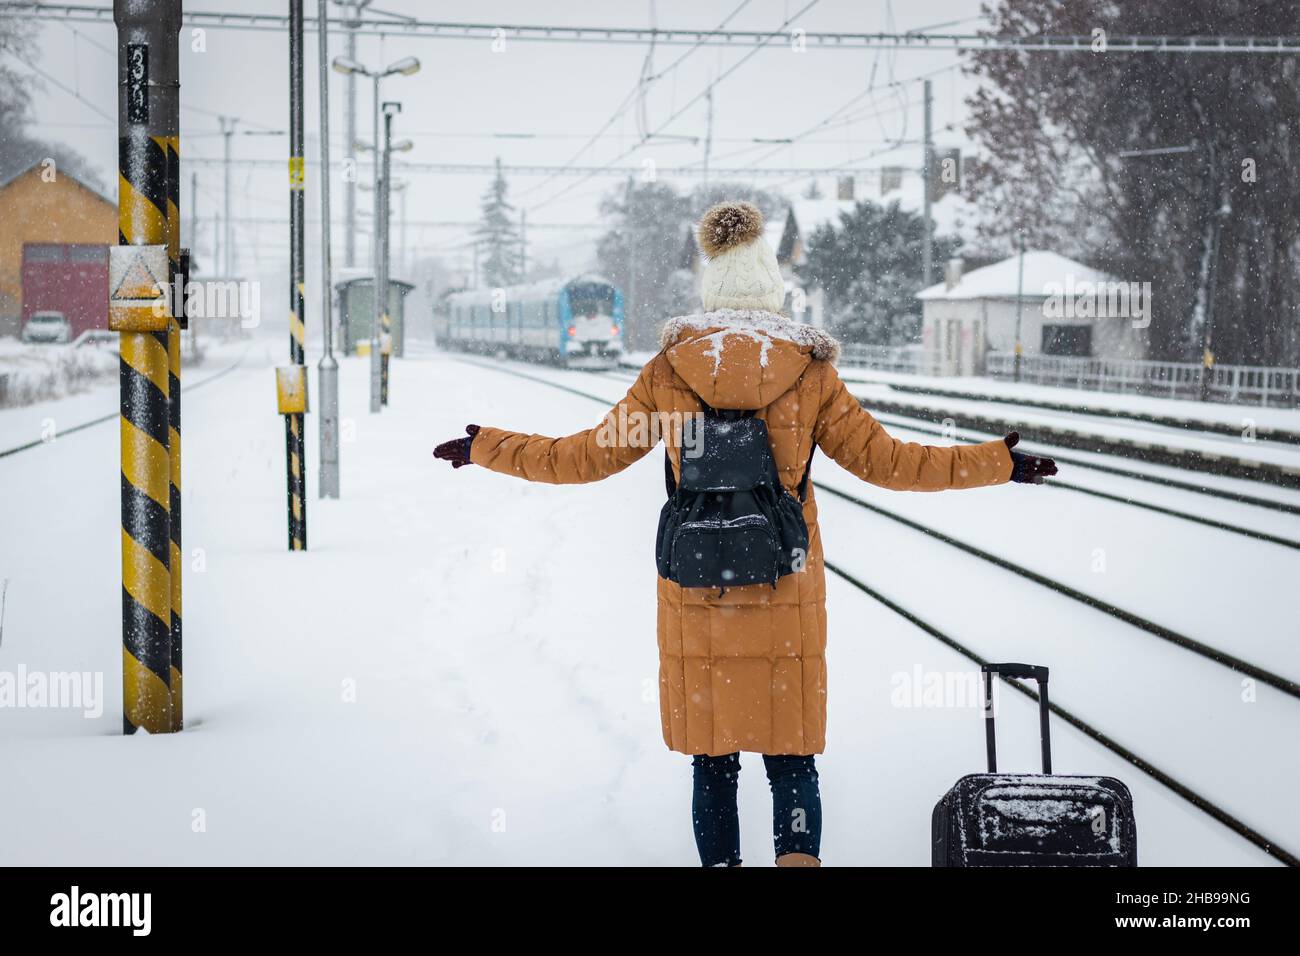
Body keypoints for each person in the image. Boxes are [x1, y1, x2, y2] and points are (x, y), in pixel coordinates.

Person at [434, 201, 1058, 867]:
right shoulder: (810, 371)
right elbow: (893, 463)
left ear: (711, 289)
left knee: (714, 765)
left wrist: (488, 448)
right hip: (784, 589)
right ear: (771, 292)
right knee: (792, 764)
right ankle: (796, 861)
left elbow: (585, 456)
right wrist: (997, 462)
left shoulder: (669, 372)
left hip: (698, 595)